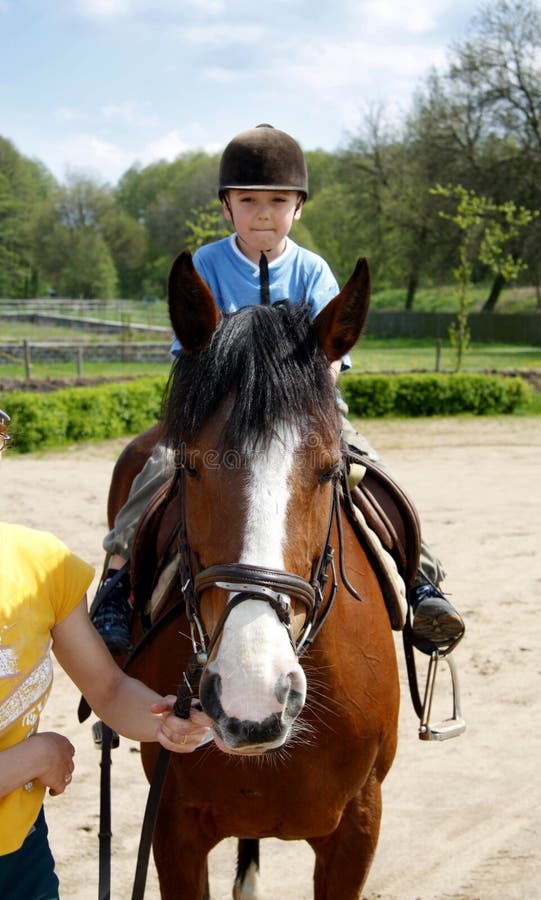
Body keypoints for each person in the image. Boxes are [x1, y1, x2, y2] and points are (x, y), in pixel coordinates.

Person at [93, 124, 464, 659]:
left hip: (303, 411)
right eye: (248, 201)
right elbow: (194, 355)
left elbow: (330, 358)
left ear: (298, 208)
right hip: (219, 411)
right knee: (153, 471)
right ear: (227, 207)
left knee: (371, 471)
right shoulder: (206, 265)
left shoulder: (313, 271)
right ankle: (114, 585)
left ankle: (422, 580)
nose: (262, 213)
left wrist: (305, 398)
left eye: (277, 201)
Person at [0, 409, 211, 900]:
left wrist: (168, 721)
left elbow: (109, 688)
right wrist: (37, 755)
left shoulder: (41, 565)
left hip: (21, 853)